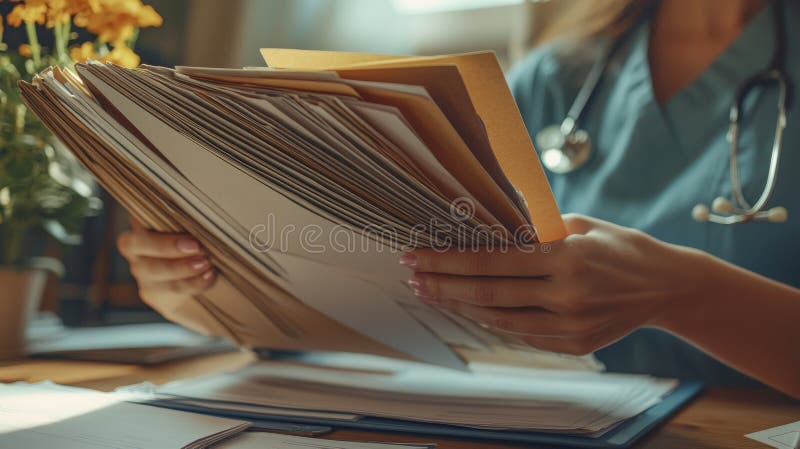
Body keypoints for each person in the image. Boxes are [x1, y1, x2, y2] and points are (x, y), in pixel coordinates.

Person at [117, 0, 800, 398]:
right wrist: (203, 287)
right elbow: (405, 291)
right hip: (540, 418)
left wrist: (680, 293)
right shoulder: (563, 75)